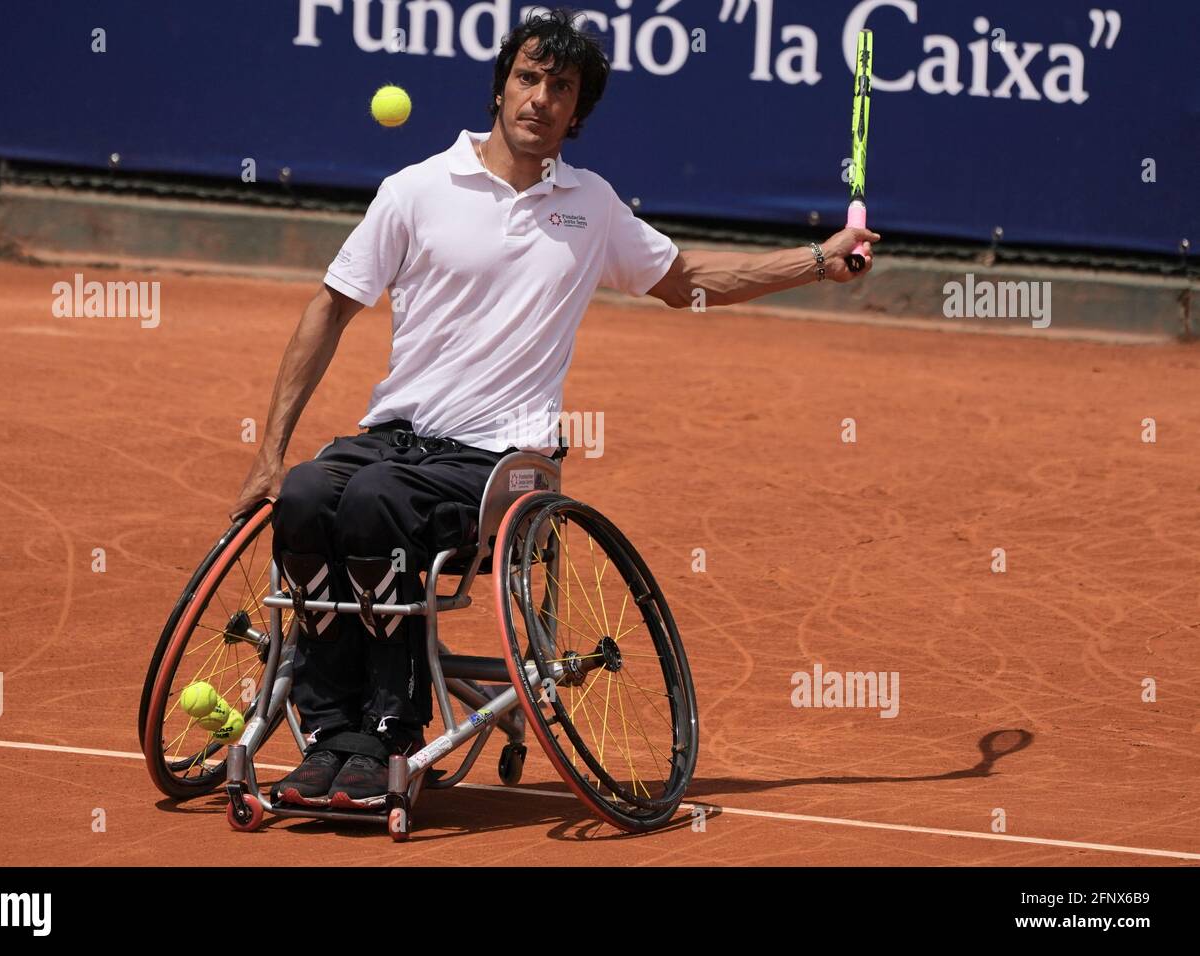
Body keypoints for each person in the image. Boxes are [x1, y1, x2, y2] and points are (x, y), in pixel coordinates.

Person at [229, 7, 879, 809]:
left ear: (579, 110)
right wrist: (273, 447)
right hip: (393, 439)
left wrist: (818, 261)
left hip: (500, 462)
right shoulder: (414, 190)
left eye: (560, 86)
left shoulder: (592, 208)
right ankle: (328, 730)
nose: (540, 97)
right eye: (528, 77)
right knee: (303, 492)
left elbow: (689, 283)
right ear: (501, 86)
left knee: (371, 502)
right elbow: (330, 308)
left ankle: (387, 731)